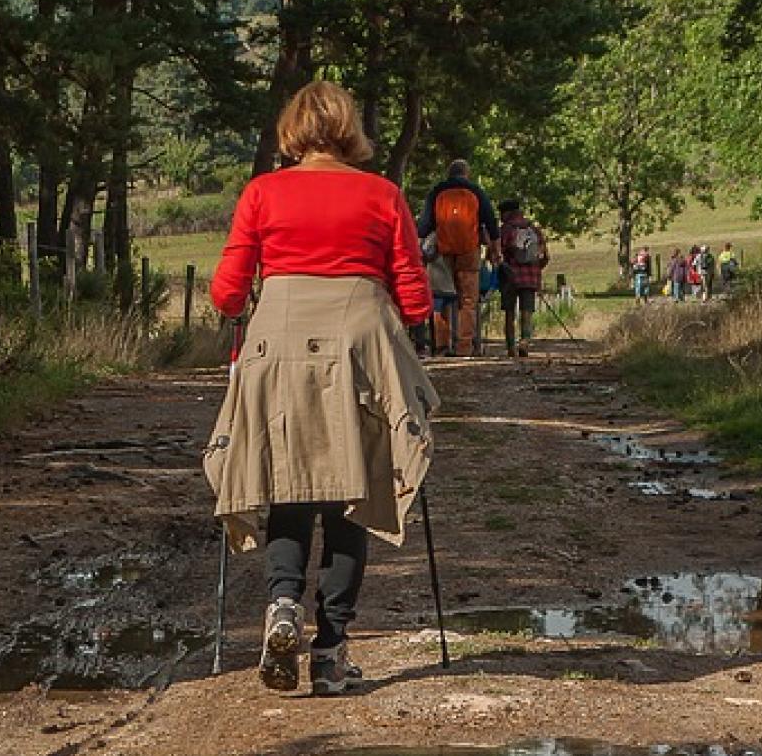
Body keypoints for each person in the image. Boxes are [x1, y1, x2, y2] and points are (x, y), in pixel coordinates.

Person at [205, 82, 439, 697]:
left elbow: (228, 294)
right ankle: (330, 653)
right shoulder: (382, 195)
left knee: (285, 482)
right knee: (349, 494)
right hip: (358, 346)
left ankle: (282, 605)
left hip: (277, 346)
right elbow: (416, 299)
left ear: (292, 132)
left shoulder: (263, 192)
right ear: (349, 130)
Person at [418, 159, 500, 356]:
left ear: (449, 173)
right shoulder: (476, 191)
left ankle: (442, 345)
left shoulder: (437, 192)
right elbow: (491, 222)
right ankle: (465, 346)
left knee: (441, 298)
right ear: (466, 173)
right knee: (468, 300)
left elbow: (424, 225)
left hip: (442, 253)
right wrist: (495, 249)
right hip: (469, 250)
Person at [495, 198, 550, 356]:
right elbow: (545, 255)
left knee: (509, 312)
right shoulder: (534, 229)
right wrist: (537, 270)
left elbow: (497, 253)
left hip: (510, 277)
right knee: (527, 311)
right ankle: (525, 341)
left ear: (507, 213)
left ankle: (511, 347)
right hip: (530, 278)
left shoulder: (505, 230)